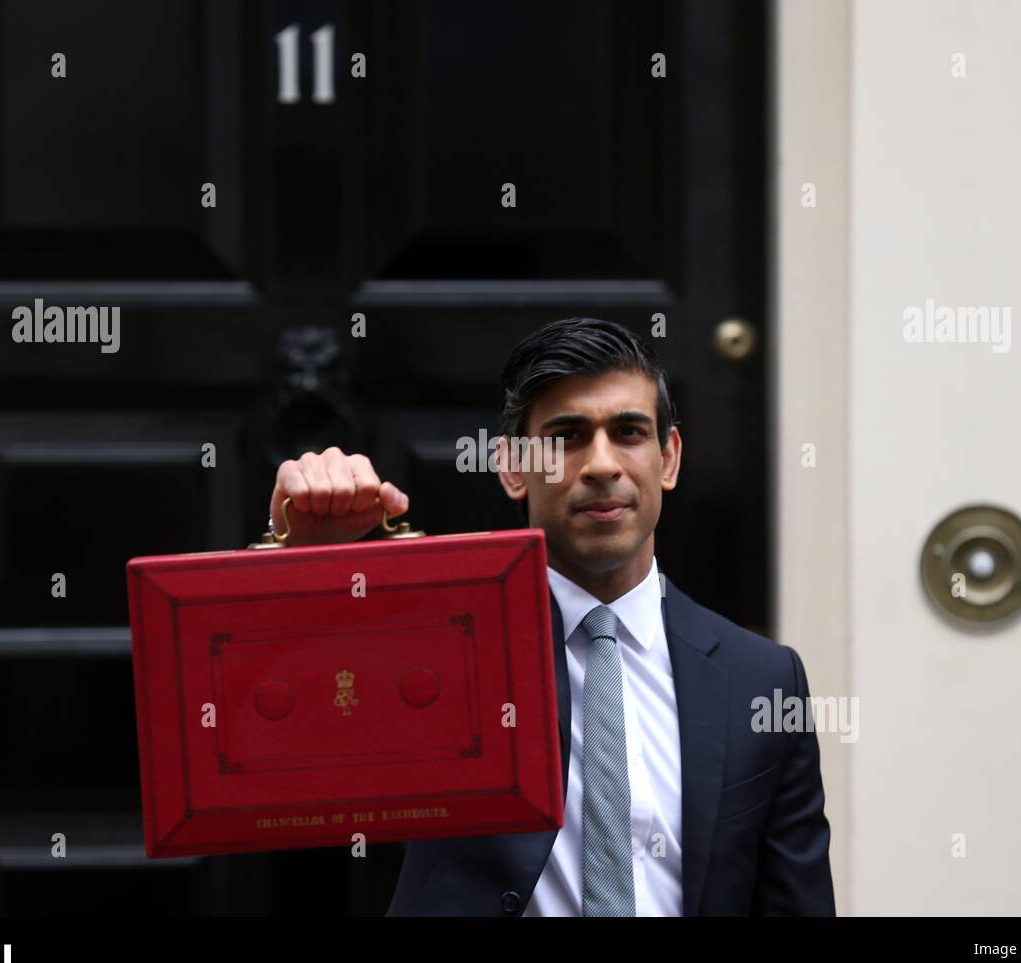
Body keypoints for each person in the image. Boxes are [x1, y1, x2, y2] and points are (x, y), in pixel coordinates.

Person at [267, 317, 836, 916]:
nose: (601, 464)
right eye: (566, 436)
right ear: (512, 467)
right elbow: (276, 750)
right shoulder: (437, 647)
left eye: (629, 432)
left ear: (668, 459)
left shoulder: (763, 681)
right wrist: (310, 564)